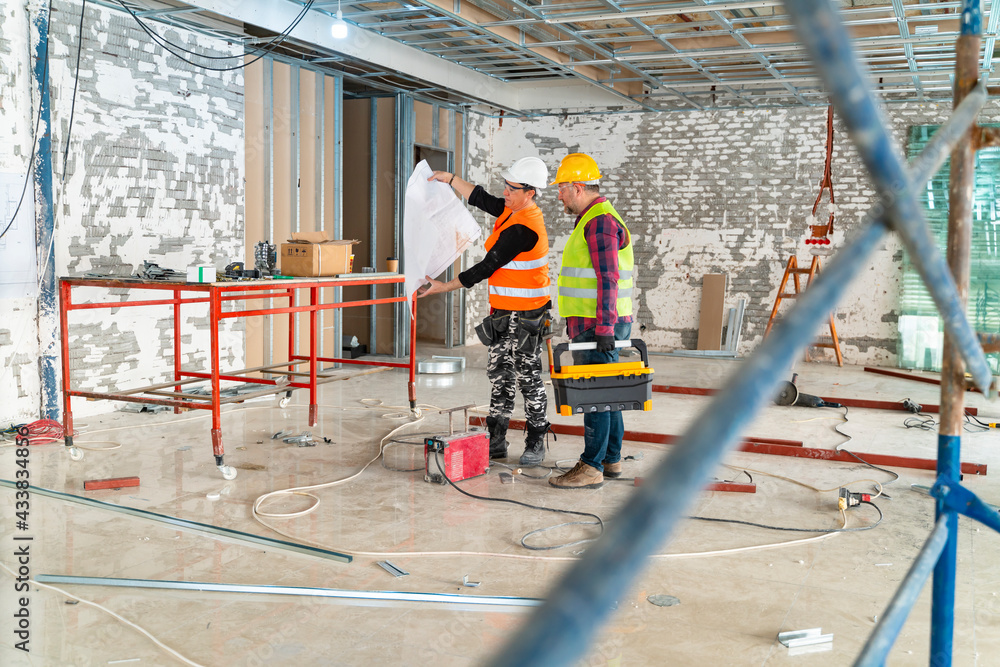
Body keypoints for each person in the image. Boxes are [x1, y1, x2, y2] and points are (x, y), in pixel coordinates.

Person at [418, 157, 552, 466]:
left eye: (512, 188)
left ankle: (535, 440)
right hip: (504, 312)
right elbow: (482, 198)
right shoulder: (512, 210)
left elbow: (485, 267)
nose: (505, 192)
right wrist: (450, 179)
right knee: (500, 375)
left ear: (529, 193)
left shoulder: (525, 228)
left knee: (528, 378)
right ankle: (496, 441)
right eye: (505, 186)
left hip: (528, 315)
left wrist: (442, 287)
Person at [548, 153, 634, 490]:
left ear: (578, 186)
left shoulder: (598, 221)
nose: (559, 195)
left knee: (595, 396)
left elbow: (608, 278)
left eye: (562, 188)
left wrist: (604, 329)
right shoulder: (596, 218)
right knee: (608, 393)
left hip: (596, 324)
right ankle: (610, 458)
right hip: (600, 322)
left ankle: (590, 466)